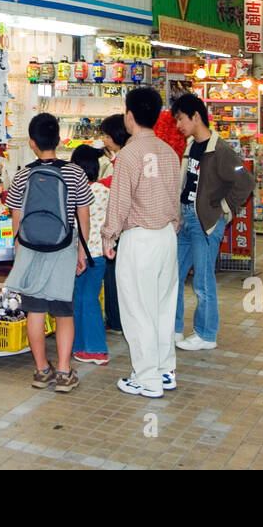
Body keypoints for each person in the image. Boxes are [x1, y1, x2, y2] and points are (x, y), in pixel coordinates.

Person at [100, 88, 183, 398]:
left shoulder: (129, 155)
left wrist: (109, 236)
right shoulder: (168, 152)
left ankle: (145, 377)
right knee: (162, 307)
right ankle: (165, 371)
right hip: (166, 237)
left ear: (130, 116)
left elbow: (119, 203)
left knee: (138, 308)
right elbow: (174, 196)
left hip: (139, 239)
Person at [5, 113, 92, 393]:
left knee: (36, 310)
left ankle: (42, 370)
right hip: (63, 248)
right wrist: (82, 250)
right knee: (63, 311)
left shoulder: (22, 175)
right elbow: (83, 216)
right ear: (58, 140)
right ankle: (64, 373)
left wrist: (20, 250)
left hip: (30, 249)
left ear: (32, 143)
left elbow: (16, 219)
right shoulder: (75, 173)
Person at [170, 93, 245, 351]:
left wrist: (223, 208)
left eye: (181, 119)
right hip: (187, 220)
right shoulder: (191, 146)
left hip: (206, 223)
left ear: (195, 116)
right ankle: (175, 329)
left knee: (202, 281)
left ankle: (206, 334)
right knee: (174, 276)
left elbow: (244, 181)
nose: (178, 125)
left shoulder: (220, 149)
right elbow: (186, 183)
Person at [70, 145, 111, 366]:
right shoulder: (104, 191)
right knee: (88, 299)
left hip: (80, 255)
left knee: (83, 300)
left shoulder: (76, 192)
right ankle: (81, 347)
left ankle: (94, 349)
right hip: (100, 255)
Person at [98, 114, 130, 333]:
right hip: (127, 227)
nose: (104, 140)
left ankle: (116, 320)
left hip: (119, 228)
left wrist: (93, 185)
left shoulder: (123, 160)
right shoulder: (121, 157)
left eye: (107, 136)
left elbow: (111, 185)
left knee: (113, 276)